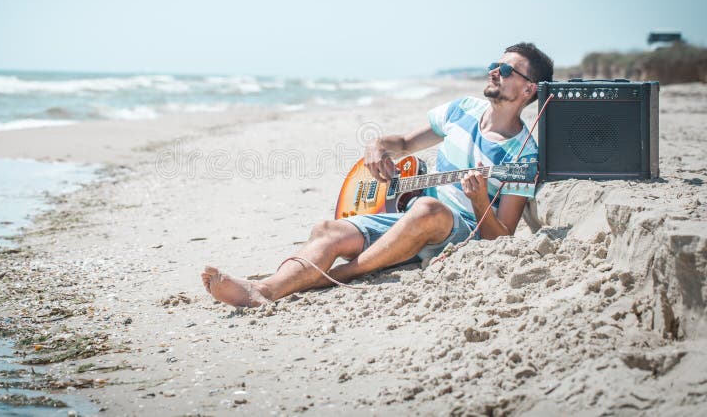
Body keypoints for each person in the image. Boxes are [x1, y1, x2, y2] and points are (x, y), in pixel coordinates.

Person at [202, 43, 554, 307]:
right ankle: (263, 289)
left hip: (459, 230)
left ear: (528, 89)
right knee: (328, 230)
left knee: (427, 211)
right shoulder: (461, 110)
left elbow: (502, 237)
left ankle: (334, 277)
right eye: (495, 65)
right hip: (411, 217)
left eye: (506, 71)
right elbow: (402, 143)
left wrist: (478, 200)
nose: (495, 72)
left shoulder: (523, 154)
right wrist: (376, 146)